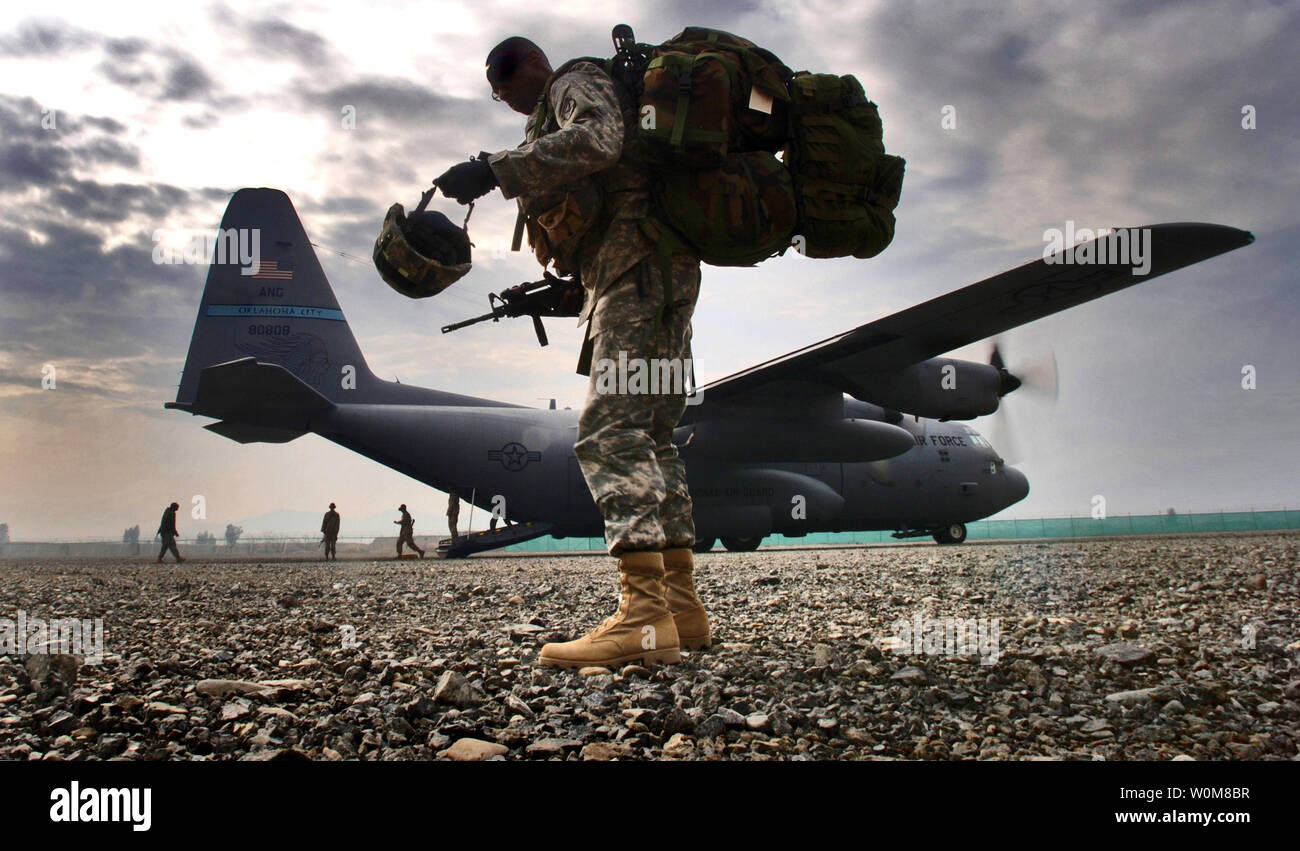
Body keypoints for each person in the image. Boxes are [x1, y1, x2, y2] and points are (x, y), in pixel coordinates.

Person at [432, 36, 710, 667]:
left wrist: (495, 169)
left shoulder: (573, 83)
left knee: (609, 432)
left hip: (637, 271)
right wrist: (566, 292)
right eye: (493, 87)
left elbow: (599, 140)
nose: (499, 93)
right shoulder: (560, 104)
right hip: (653, 273)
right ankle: (681, 609)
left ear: (528, 66)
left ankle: (642, 619)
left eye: (500, 77)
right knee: (653, 437)